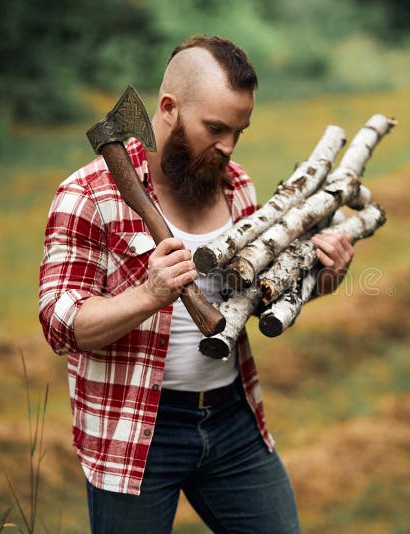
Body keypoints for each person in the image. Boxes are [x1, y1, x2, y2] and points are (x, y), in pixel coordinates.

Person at [38, 34, 354, 533]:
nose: (227, 147)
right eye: (215, 129)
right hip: (135, 431)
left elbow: (258, 294)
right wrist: (149, 295)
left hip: (231, 418)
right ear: (168, 107)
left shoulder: (236, 186)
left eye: (238, 132)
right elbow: (61, 325)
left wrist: (323, 275)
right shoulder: (88, 195)